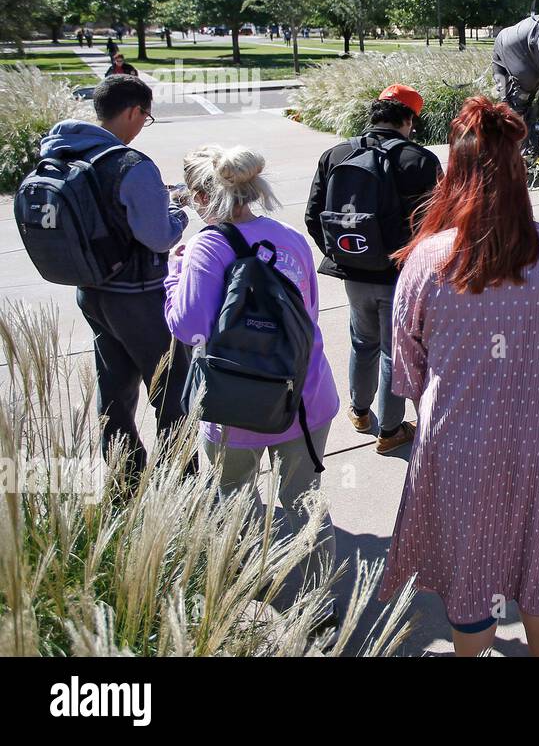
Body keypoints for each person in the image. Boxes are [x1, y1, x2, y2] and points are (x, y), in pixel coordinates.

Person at [378, 96, 539, 657]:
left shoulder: (427, 259)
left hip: (461, 443)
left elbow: (407, 368)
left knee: (471, 564)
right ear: (521, 169)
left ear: (453, 172)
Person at [164, 145, 340, 596]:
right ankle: (320, 602)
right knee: (304, 504)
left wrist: (175, 273)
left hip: (234, 405)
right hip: (303, 396)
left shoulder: (206, 247)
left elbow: (189, 328)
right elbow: (310, 312)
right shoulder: (289, 237)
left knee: (235, 499)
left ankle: (241, 584)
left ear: (203, 197)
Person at [38, 75, 189, 478]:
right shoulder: (130, 165)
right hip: (137, 296)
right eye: (146, 117)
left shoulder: (63, 154)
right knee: (173, 391)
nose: (143, 125)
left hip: (91, 289)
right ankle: (183, 486)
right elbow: (158, 238)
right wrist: (179, 213)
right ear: (134, 111)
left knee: (115, 391)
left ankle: (125, 477)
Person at [305, 85, 442, 455]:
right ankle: (391, 430)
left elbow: (312, 214)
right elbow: (437, 225)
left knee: (362, 342)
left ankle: (361, 412)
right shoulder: (420, 160)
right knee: (392, 351)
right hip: (400, 275)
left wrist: (344, 254)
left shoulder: (336, 154)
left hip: (353, 272)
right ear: (409, 118)